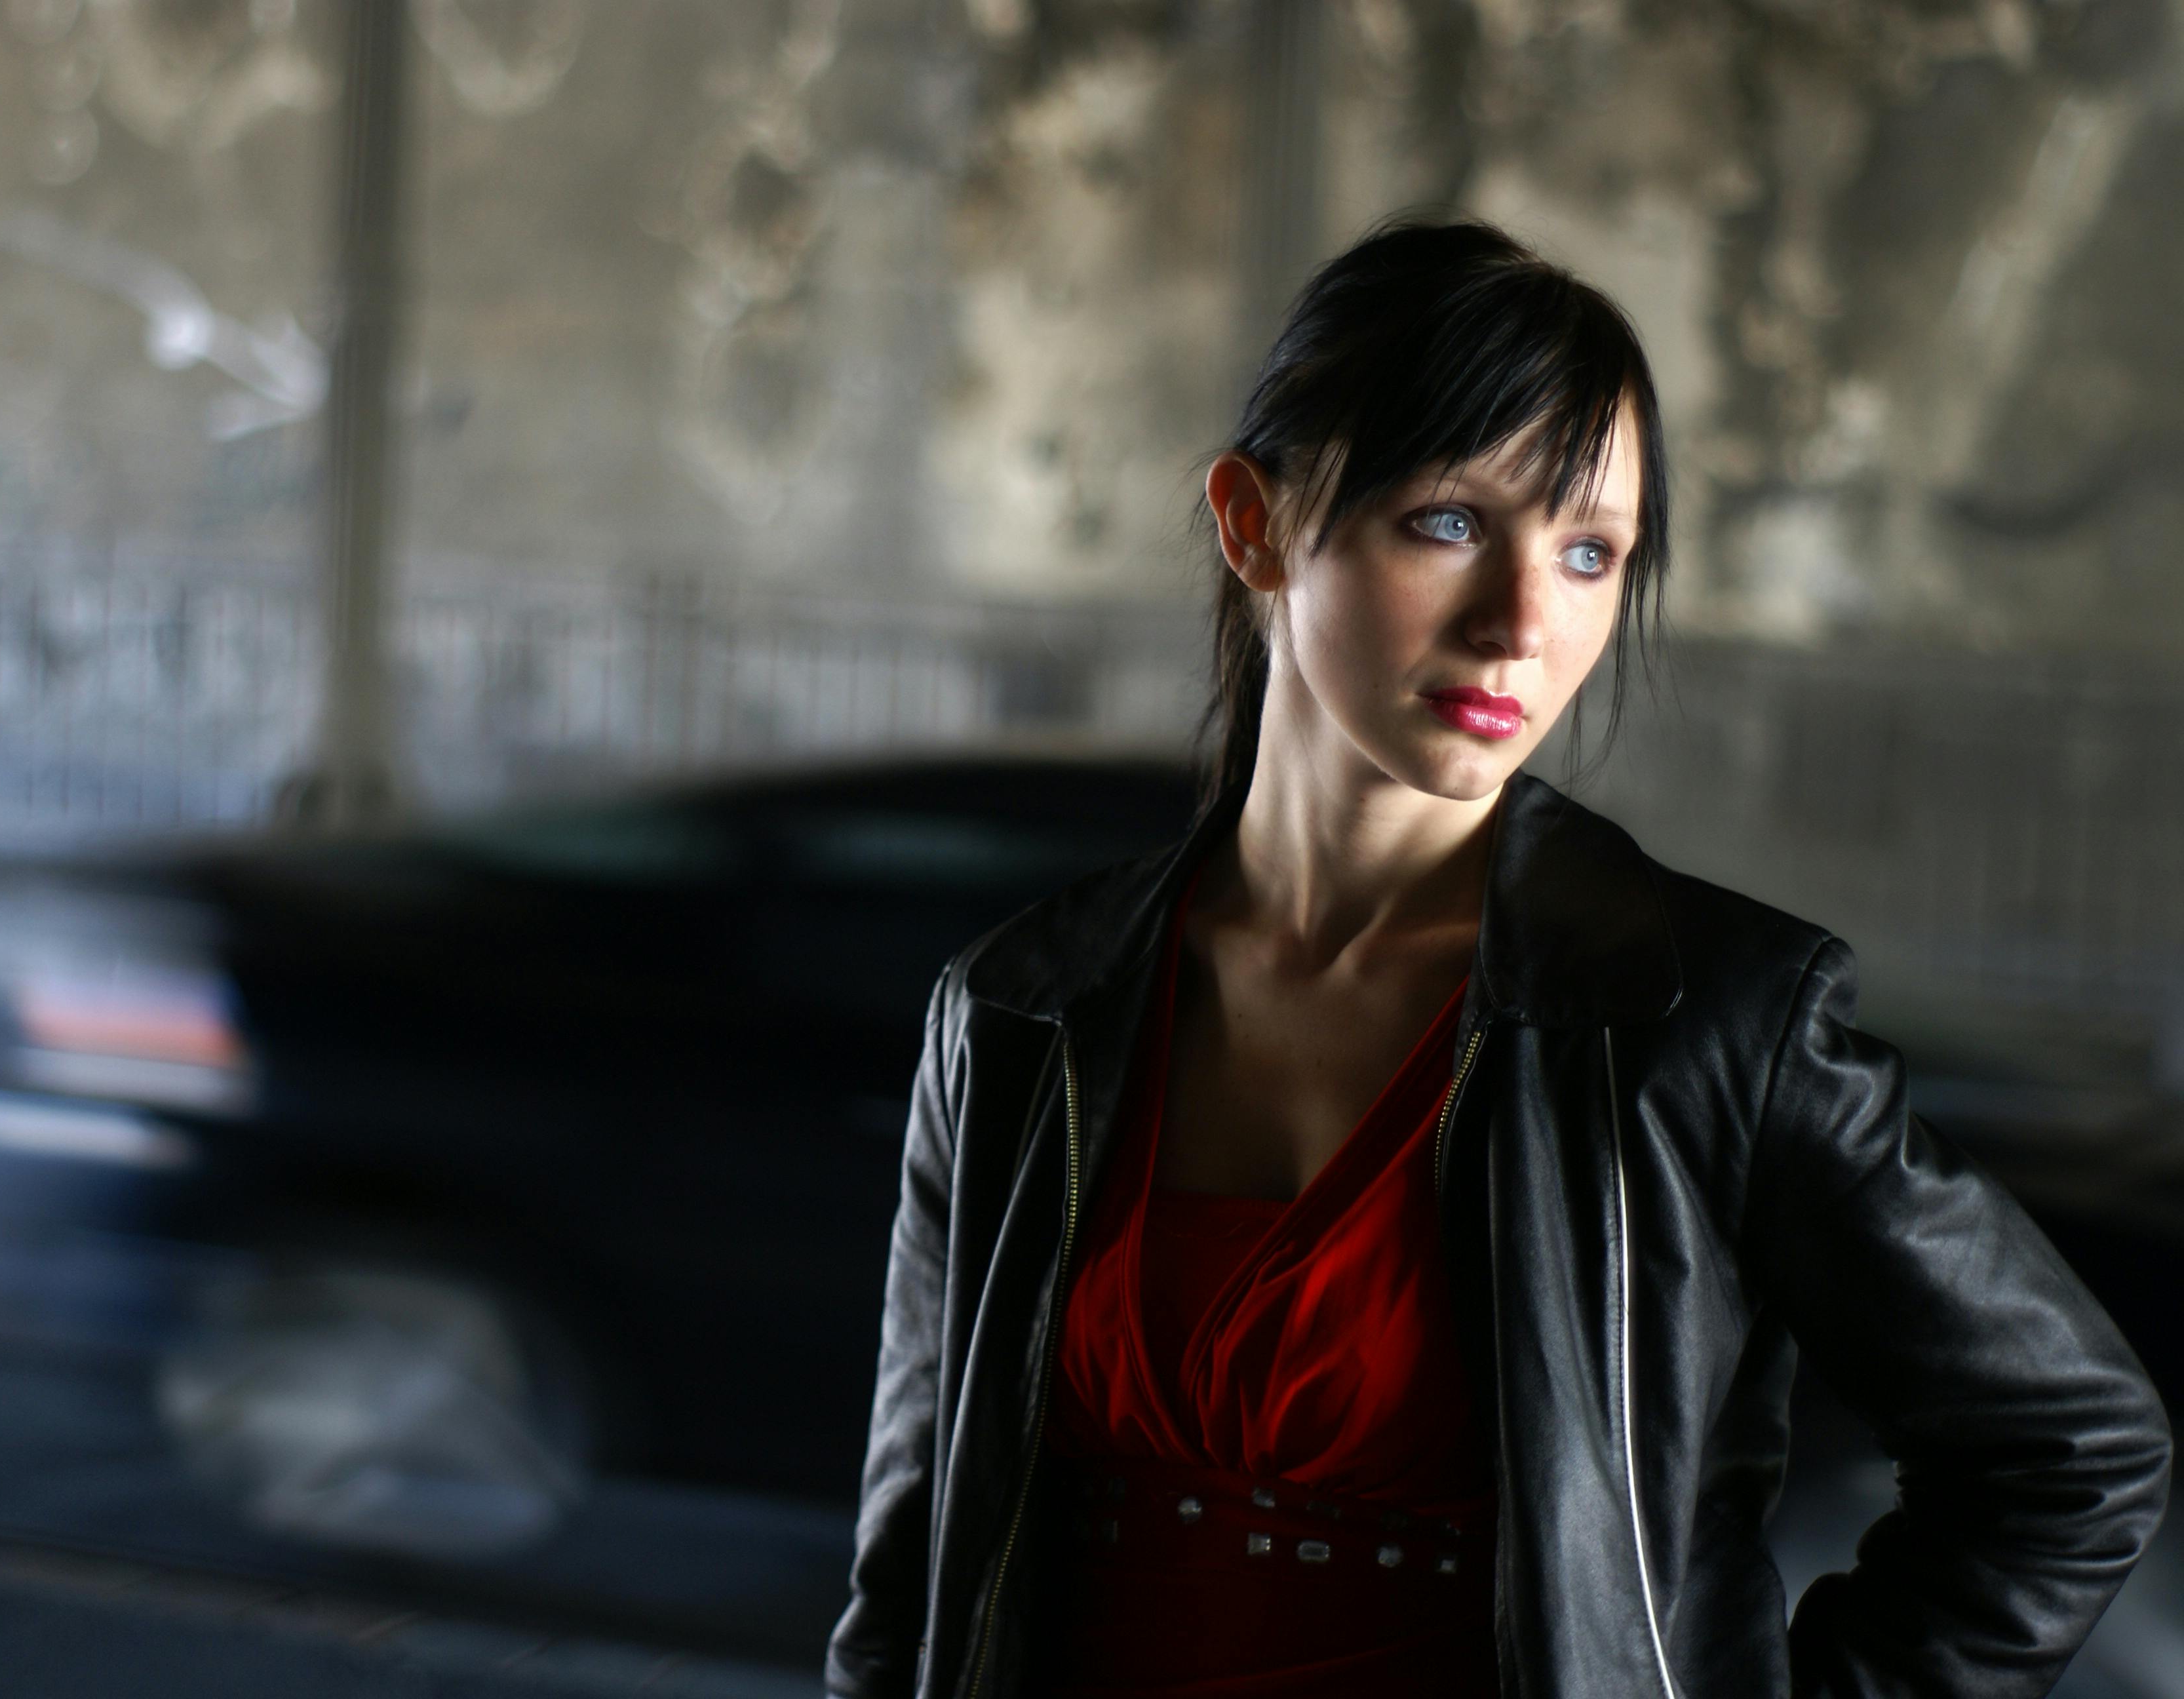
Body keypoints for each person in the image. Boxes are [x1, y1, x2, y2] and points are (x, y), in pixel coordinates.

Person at [823, 218, 2172, 1699]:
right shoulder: (1019, 1010)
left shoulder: (1700, 1025)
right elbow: (914, 1582)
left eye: (1589, 551)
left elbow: (2071, 1452)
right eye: (1451, 522)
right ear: (1253, 522)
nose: (1522, 623)